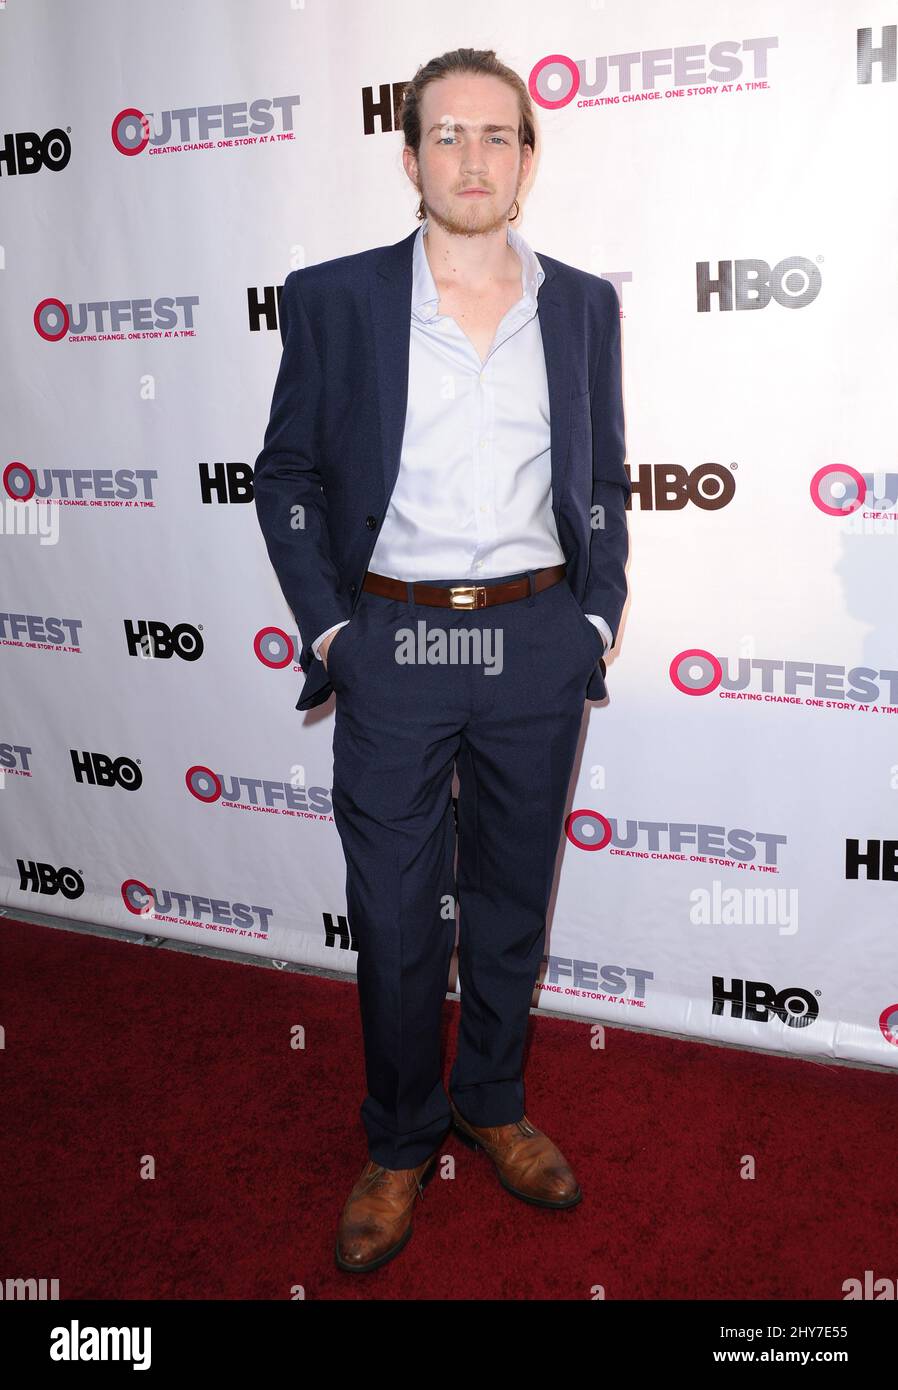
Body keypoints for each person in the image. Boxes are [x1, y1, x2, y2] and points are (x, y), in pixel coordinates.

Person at [253, 46, 630, 1274]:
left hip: (533, 635)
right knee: (397, 913)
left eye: (497, 135)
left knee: (512, 896)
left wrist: (591, 620)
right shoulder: (333, 297)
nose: (473, 158)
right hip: (394, 638)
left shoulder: (582, 305)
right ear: (409, 157)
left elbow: (605, 477)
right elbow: (288, 474)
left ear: (527, 159)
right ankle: (402, 1136)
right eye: (448, 135)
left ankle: (493, 1101)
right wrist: (334, 631)